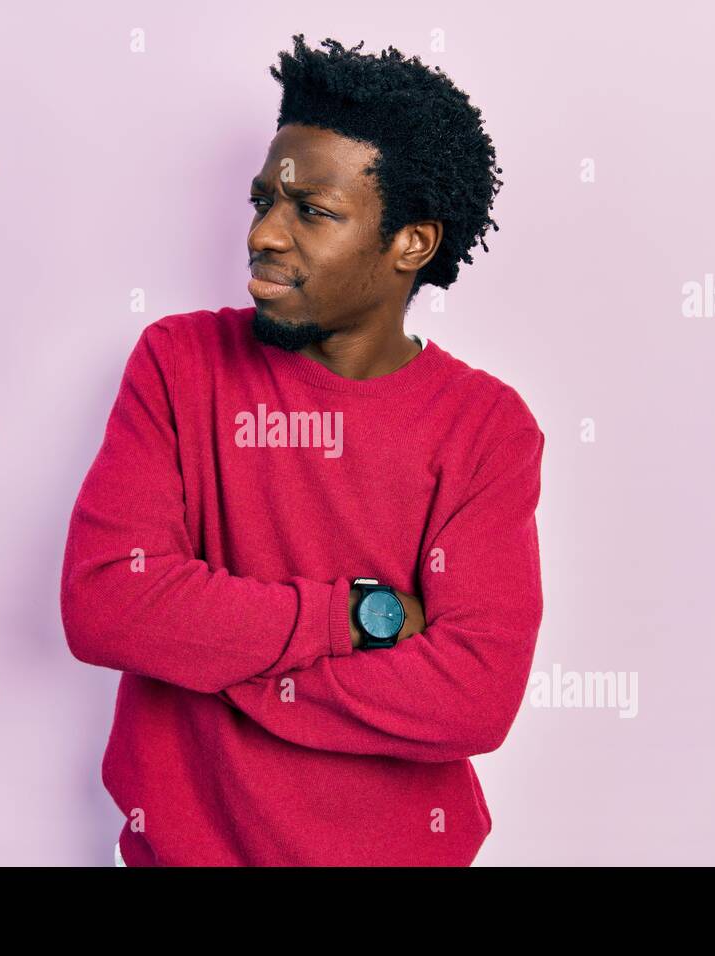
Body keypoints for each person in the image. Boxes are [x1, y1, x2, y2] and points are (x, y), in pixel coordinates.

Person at [62, 34, 544, 867]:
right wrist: (354, 618)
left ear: (411, 243)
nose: (265, 237)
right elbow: (107, 601)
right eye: (262, 203)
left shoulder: (486, 427)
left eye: (311, 212)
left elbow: (473, 698)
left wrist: (212, 660)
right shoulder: (178, 365)